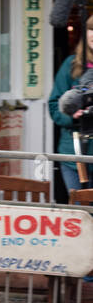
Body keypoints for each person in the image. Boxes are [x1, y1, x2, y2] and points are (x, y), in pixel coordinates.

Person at [49, 11, 93, 195]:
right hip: (75, 152)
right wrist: (71, 115)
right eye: (91, 31)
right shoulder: (71, 65)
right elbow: (54, 105)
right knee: (79, 211)